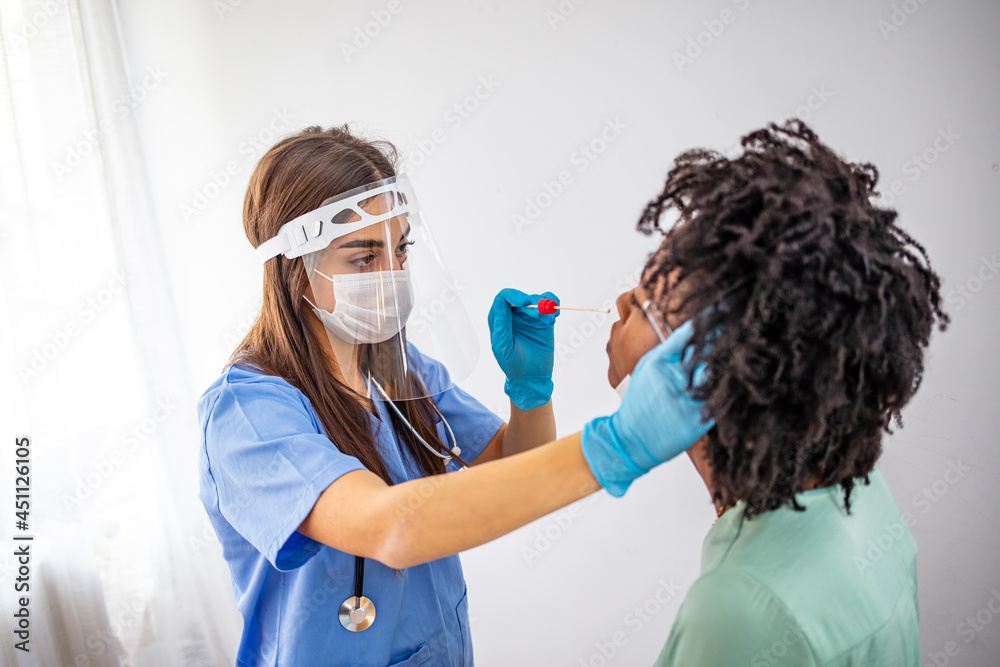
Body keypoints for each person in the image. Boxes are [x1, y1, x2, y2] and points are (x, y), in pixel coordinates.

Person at [196, 124, 712, 667]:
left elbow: (516, 467)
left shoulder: (396, 369)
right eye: (364, 258)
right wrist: (621, 446)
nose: (392, 275)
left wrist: (530, 390)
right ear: (295, 270)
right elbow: (393, 527)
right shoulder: (247, 412)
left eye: (400, 249)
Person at [603, 120, 947, 666]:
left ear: (715, 366)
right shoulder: (860, 495)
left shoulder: (741, 609)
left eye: (645, 301)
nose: (621, 304)